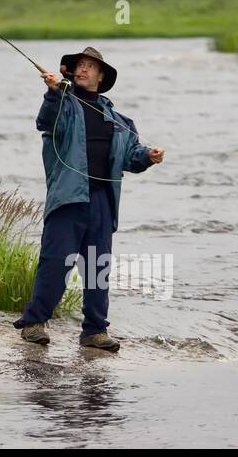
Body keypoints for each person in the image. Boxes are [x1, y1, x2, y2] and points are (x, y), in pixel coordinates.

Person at [14, 46, 164, 352]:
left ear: (101, 75)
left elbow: (130, 158)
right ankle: (34, 324)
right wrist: (54, 92)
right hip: (68, 199)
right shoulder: (64, 105)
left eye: (89, 66)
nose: (82, 70)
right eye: (78, 66)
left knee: (98, 269)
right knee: (55, 264)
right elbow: (45, 122)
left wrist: (148, 156)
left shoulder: (120, 120)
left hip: (102, 203)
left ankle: (94, 332)